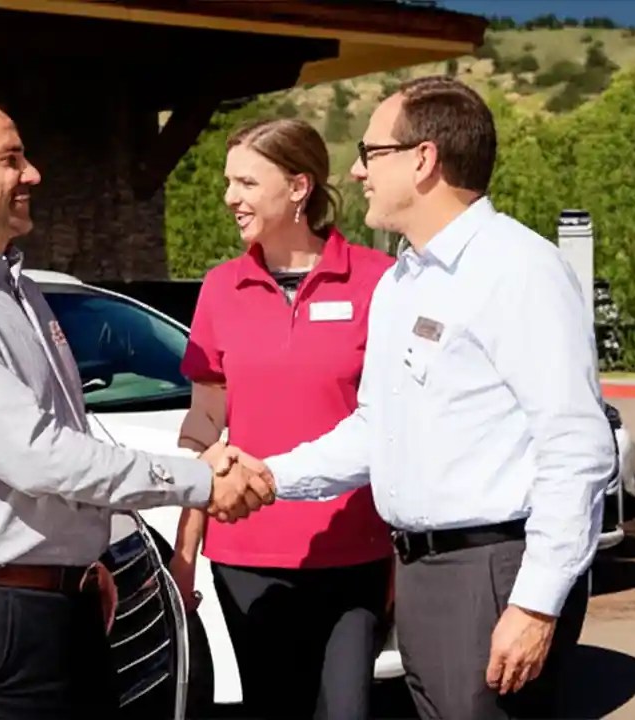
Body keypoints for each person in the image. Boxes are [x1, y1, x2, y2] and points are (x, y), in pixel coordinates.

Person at [0, 89, 273, 720]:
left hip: (60, 602)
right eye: (10, 158)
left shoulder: (17, 288)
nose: (31, 173)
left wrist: (84, 555)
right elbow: (37, 456)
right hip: (1, 622)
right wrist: (198, 480)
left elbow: (70, 431)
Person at [244, 76, 617, 719]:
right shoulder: (404, 281)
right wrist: (269, 476)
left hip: (493, 572)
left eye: (371, 151)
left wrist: (534, 603)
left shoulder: (516, 268)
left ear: (423, 159)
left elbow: (576, 447)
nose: (357, 171)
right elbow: (375, 429)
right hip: (421, 573)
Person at [167, 117, 396, 720]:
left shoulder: (379, 281)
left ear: (298, 187)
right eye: (228, 182)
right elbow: (203, 427)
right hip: (247, 556)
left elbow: (399, 424)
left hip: (354, 553)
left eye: (246, 181)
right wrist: (186, 547)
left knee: (346, 710)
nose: (229, 197)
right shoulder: (220, 287)